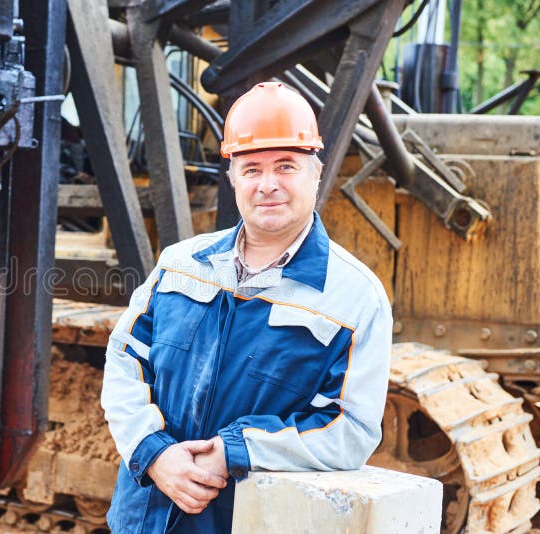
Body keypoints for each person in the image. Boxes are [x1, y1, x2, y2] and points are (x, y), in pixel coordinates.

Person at [101, 81, 392, 533]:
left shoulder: (354, 298)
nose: (268, 184)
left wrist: (234, 450)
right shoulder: (181, 264)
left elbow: (349, 428)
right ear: (233, 177)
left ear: (316, 174)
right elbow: (124, 362)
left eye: (286, 166)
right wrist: (154, 453)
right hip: (145, 516)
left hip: (245, 520)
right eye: (252, 168)